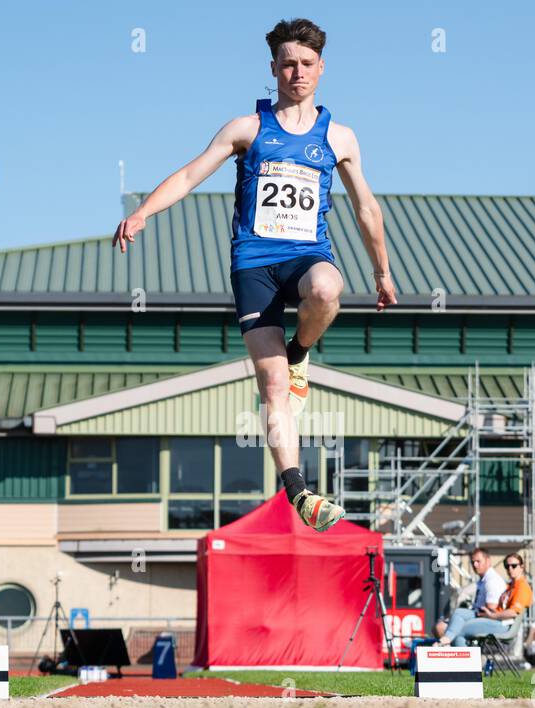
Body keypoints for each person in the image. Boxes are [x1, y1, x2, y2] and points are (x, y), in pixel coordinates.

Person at [111, 18, 397, 532]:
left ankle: (300, 352)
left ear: (321, 68)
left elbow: (366, 207)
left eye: (307, 63)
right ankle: (300, 492)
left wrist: (382, 270)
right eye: (288, 63)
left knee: (328, 290)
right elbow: (189, 174)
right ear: (273, 68)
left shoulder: (339, 136)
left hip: (307, 255)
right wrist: (144, 212)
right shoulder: (246, 129)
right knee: (271, 387)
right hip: (254, 265)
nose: (297, 72)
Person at [409, 548, 505, 673]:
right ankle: (461, 664)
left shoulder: (492, 580)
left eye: (478, 561)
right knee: (440, 627)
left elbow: (491, 610)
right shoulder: (483, 580)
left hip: (493, 622)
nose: (475, 565)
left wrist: (468, 614)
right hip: (483, 618)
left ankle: (464, 664)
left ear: (488, 561)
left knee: (457, 624)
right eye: (472, 562)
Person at [440, 551, 534, 655]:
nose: (510, 569)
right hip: (497, 619)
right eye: (507, 566)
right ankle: (447, 641)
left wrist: (492, 615)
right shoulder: (511, 586)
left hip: (504, 625)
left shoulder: (522, 587)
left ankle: (467, 667)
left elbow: (513, 613)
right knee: (459, 613)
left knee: (461, 630)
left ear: (522, 566)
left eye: (514, 566)